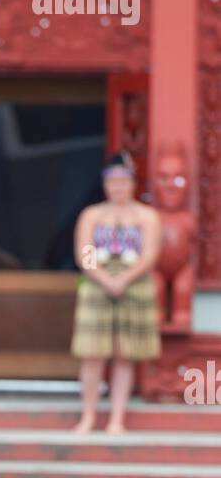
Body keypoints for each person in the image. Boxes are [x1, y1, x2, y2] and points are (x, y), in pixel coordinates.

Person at [70, 152, 162, 434]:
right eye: (113, 182)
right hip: (97, 283)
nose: (118, 187)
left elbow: (150, 254)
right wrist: (103, 277)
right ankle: (88, 416)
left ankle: (117, 419)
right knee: (93, 353)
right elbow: (84, 253)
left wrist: (124, 278)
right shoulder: (92, 215)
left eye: (124, 181)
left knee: (125, 354)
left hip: (133, 283)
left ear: (132, 183)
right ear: (105, 184)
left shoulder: (146, 216)